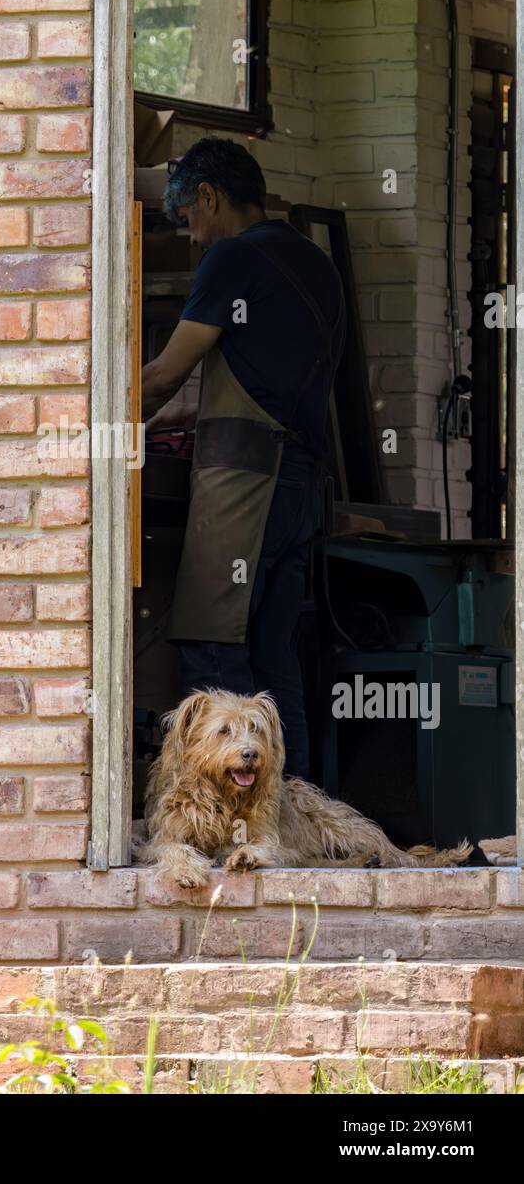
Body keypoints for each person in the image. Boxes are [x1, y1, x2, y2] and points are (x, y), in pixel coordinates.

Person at [142, 138, 346, 780]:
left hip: (244, 489)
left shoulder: (233, 258)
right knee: (277, 667)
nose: (195, 240)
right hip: (300, 489)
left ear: (209, 197)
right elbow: (266, 373)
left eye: (190, 222)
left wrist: (87, 434)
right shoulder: (315, 264)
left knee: (215, 651)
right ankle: (299, 818)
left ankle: (235, 828)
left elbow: (163, 376)